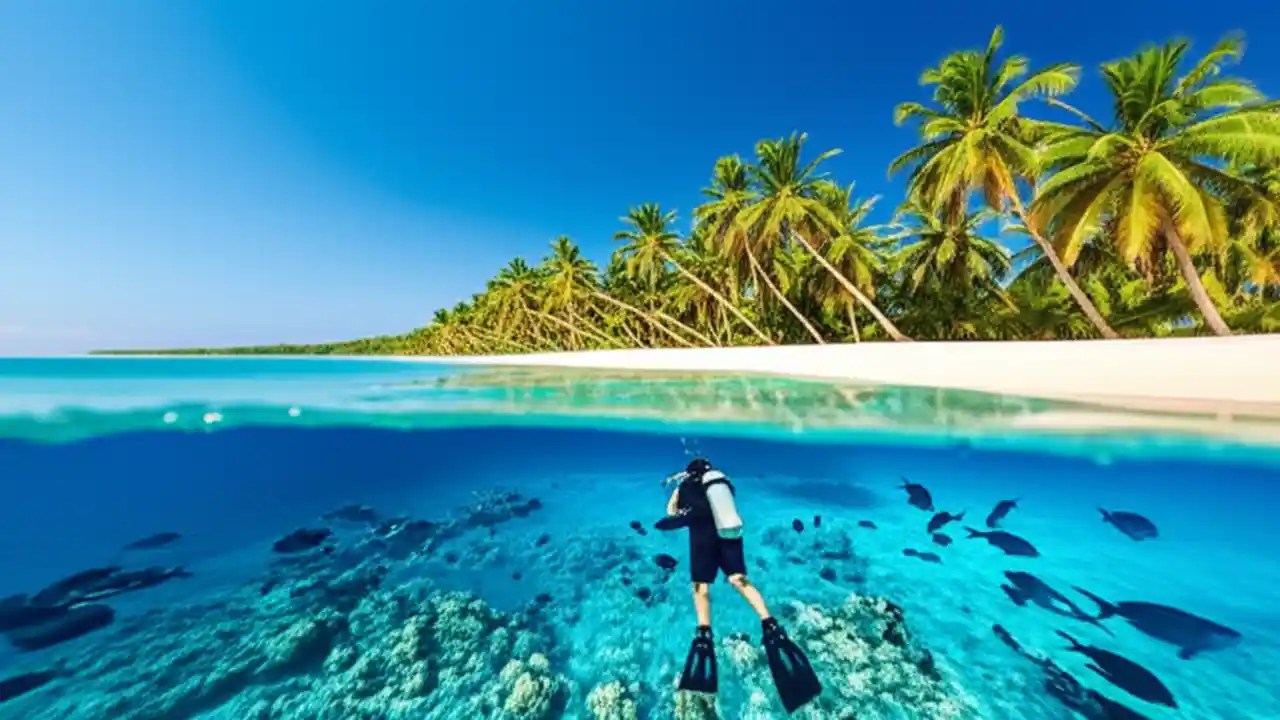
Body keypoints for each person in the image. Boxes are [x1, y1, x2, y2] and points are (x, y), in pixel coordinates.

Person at [656, 457, 821, 713]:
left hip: (703, 535)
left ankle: (703, 635)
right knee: (739, 580)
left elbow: (671, 514)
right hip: (730, 535)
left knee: (701, 586)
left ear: (690, 473)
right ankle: (769, 623)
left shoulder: (689, 485)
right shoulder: (721, 483)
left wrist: (677, 490)